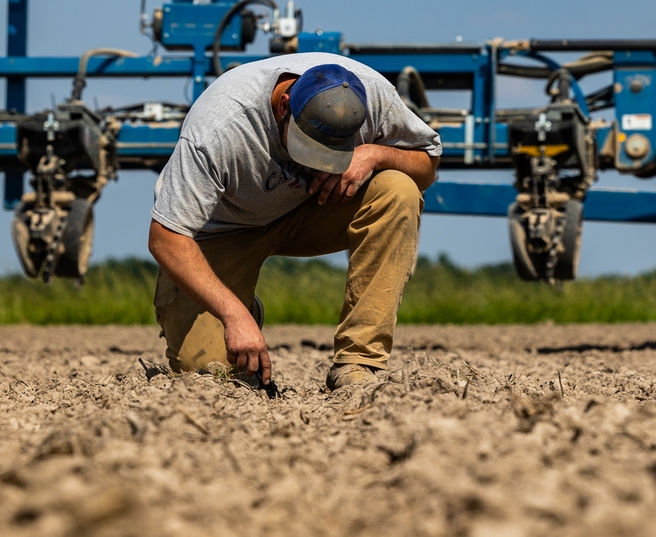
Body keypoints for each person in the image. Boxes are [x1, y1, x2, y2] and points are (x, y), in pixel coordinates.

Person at [148, 53, 441, 390]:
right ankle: (241, 303)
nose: (318, 163)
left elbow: (428, 164)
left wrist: (377, 154)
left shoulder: (373, 94)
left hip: (311, 211)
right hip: (223, 230)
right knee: (205, 369)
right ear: (284, 106)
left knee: (399, 189)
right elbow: (165, 238)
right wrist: (233, 314)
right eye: (308, 148)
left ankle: (357, 362)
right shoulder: (218, 128)